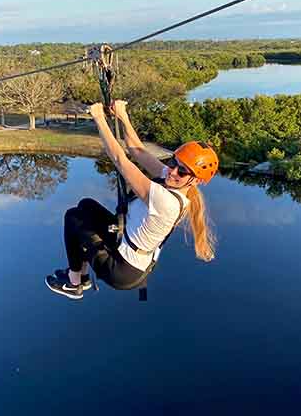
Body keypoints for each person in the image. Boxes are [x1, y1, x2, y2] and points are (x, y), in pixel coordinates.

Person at [45, 99, 219, 300]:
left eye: (182, 170)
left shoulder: (167, 201)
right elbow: (138, 151)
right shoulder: (172, 181)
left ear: (195, 180)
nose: (172, 171)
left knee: (74, 217)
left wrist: (99, 118)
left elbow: (120, 160)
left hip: (122, 269)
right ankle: (82, 277)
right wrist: (123, 116)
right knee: (86, 205)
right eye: (173, 162)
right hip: (124, 244)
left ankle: (74, 283)